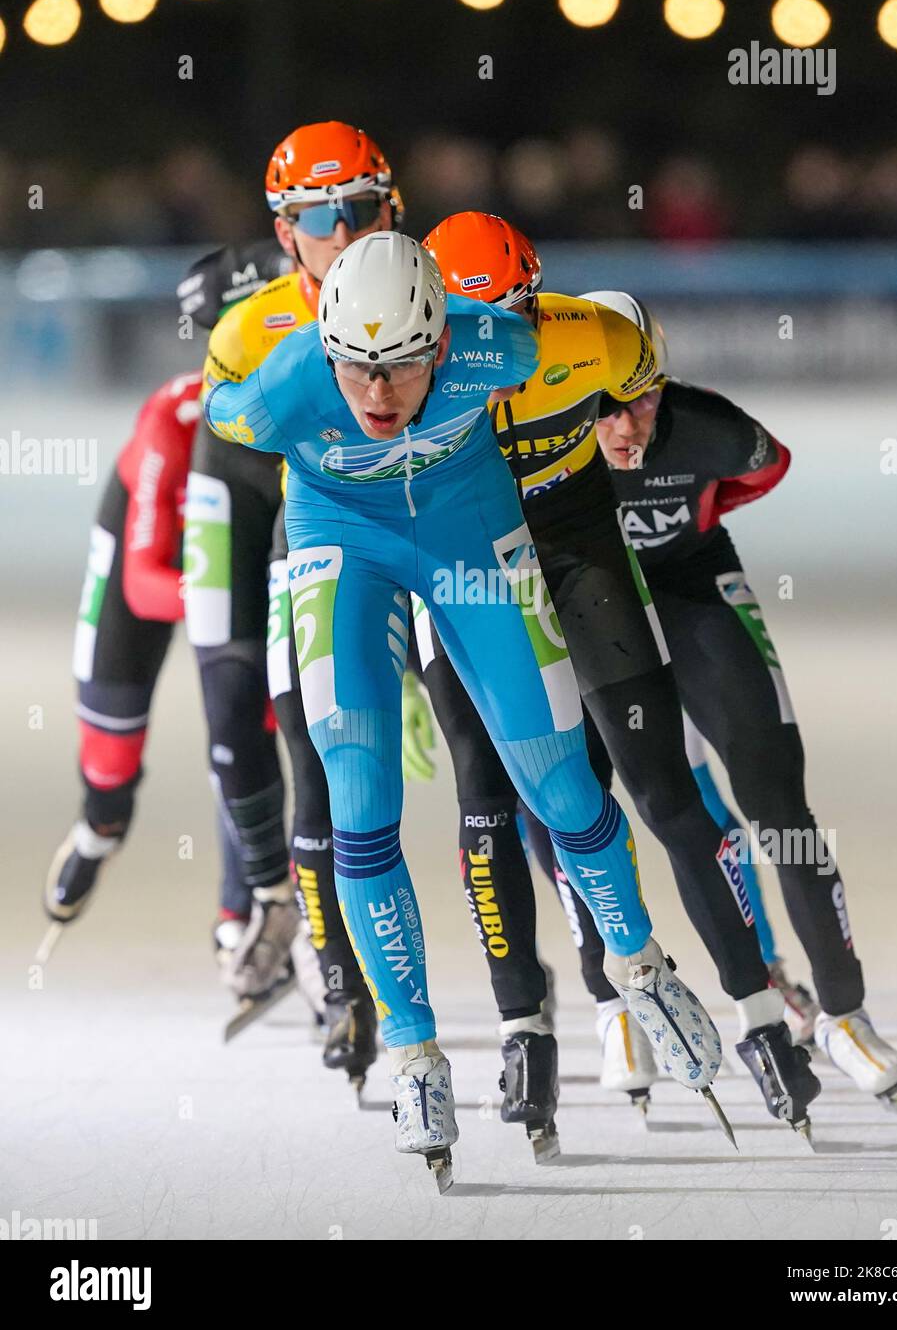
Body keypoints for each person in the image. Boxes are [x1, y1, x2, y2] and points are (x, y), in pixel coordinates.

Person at [203, 230, 729, 1190]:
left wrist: (640, 390)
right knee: (357, 790)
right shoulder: (280, 392)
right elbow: (218, 405)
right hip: (342, 546)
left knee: (560, 779)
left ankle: (641, 964)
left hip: (467, 532)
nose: (374, 396)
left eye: (400, 369)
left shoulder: (509, 343)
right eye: (354, 370)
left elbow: (626, 343)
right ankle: (414, 1054)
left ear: (445, 344)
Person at [414, 213, 819, 1144]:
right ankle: (529, 1029)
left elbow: (651, 422)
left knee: (666, 795)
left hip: (577, 554)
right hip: (473, 578)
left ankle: (758, 1013)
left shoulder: (596, 339)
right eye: (470, 323)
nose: (493, 342)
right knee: (490, 803)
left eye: (512, 314)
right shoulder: (404, 369)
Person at [560, 289, 897, 1110]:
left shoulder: (708, 425)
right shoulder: (545, 437)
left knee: (777, 803)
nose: (623, 428)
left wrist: (700, 518)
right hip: (593, 609)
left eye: (640, 401)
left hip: (693, 591)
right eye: (601, 409)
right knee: (581, 806)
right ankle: (614, 1005)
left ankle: (842, 1012)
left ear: (663, 385)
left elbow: (767, 465)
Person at [184, 124, 400, 1044]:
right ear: (285, 233)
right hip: (252, 507)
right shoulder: (247, 316)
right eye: (322, 217)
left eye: (363, 210)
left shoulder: (426, 296)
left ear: (394, 209)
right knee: (241, 706)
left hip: (367, 529)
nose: (345, 231)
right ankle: (278, 903)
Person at [40, 243, 290, 972]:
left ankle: (235, 916)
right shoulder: (172, 416)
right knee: (111, 768)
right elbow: (145, 576)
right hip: (145, 572)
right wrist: (223, 595)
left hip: (227, 573)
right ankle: (98, 830)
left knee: (241, 729)